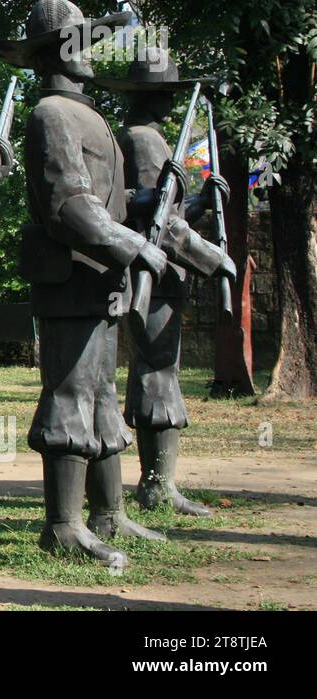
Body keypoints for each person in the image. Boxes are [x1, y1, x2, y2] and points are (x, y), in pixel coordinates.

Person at [0, 0, 171, 569]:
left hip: (100, 277)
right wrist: (131, 244)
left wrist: (147, 205)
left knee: (100, 397)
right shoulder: (51, 115)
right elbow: (69, 205)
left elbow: (106, 200)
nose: (92, 50)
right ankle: (62, 524)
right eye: (81, 41)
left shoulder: (88, 116)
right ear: (57, 52)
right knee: (69, 394)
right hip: (70, 274)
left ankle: (108, 511)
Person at [93, 48, 235, 518]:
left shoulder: (139, 136)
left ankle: (159, 481)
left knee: (159, 370)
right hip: (153, 271)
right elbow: (163, 226)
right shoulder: (144, 141)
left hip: (156, 270)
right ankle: (156, 484)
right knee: (157, 372)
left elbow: (165, 212)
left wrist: (199, 201)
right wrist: (214, 260)